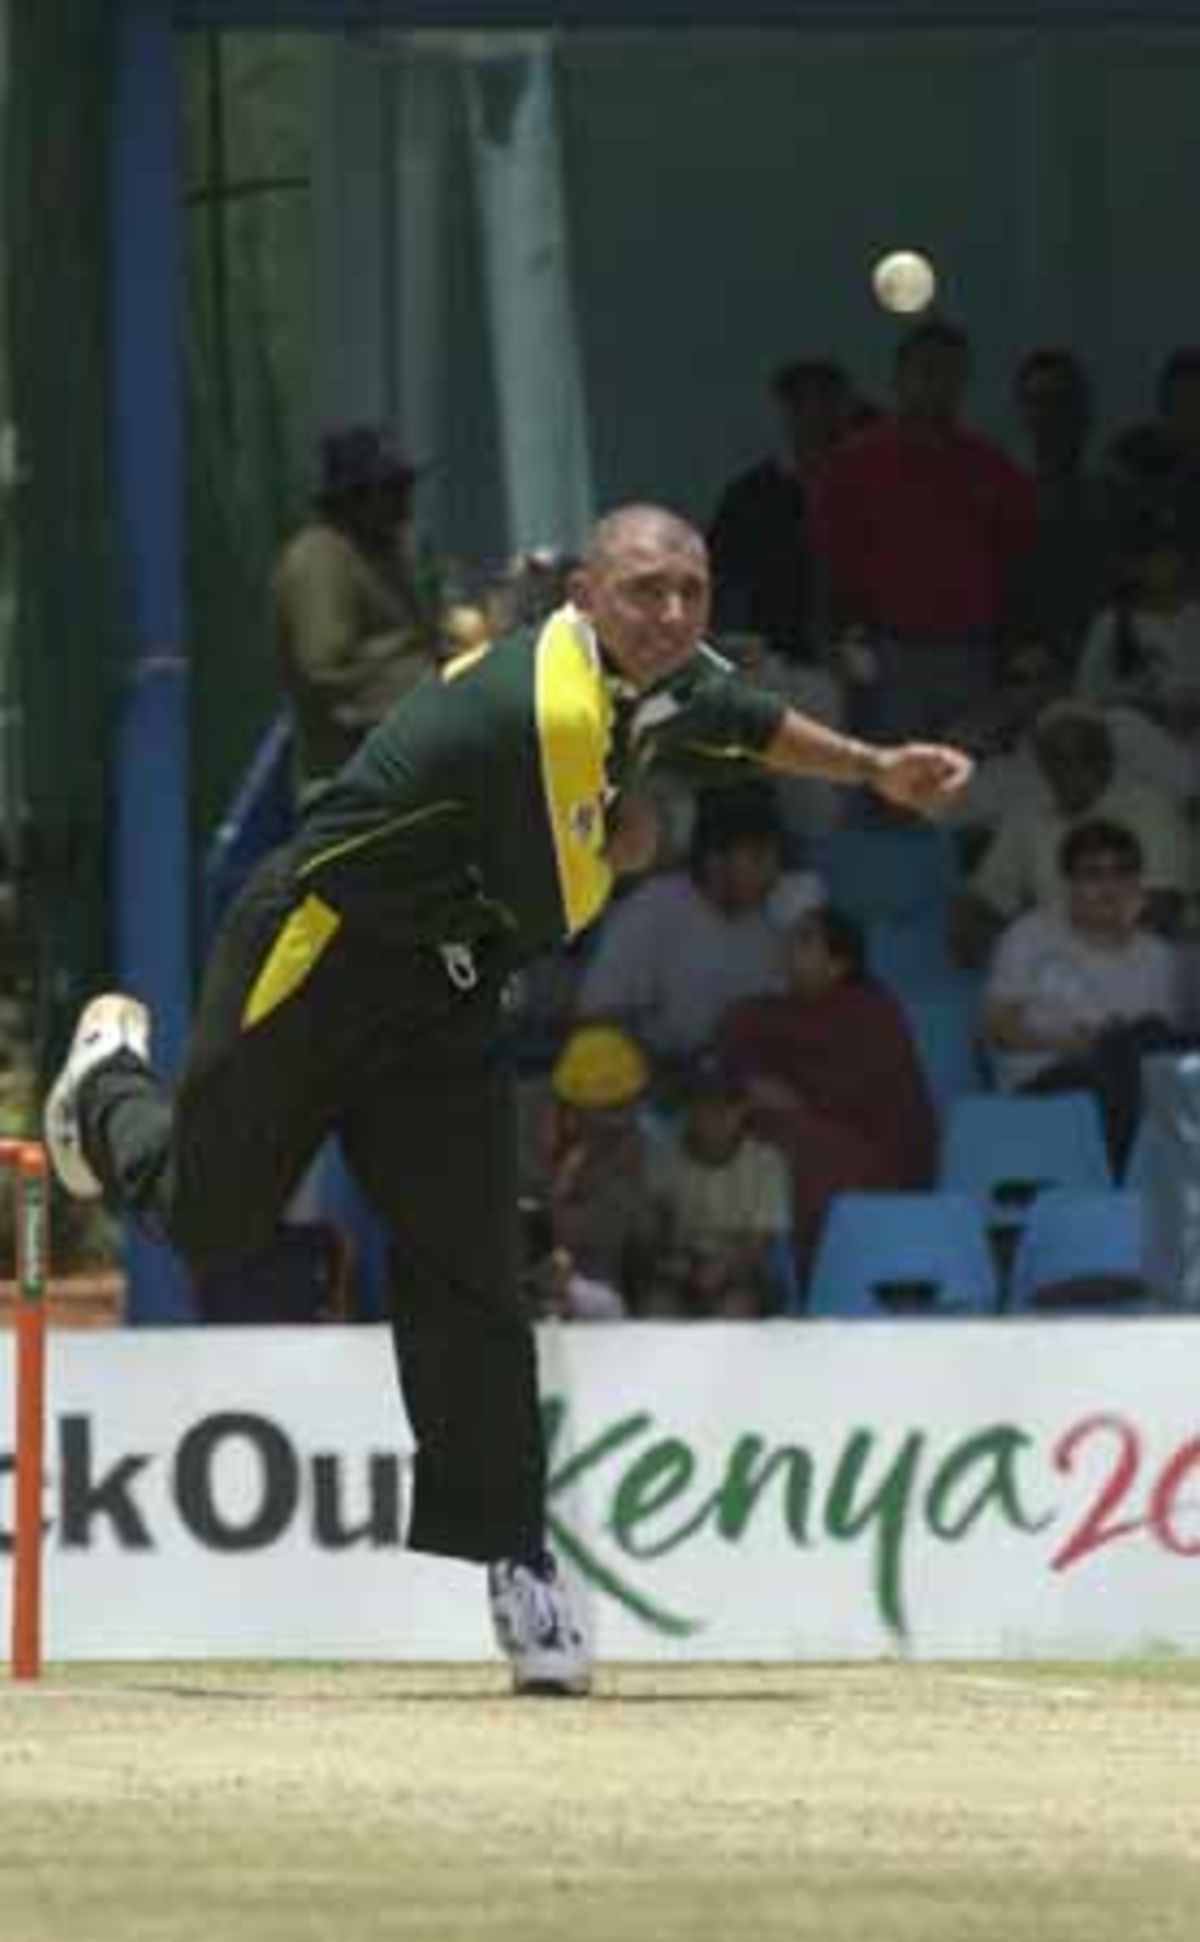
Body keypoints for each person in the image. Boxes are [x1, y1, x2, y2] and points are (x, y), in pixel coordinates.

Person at [42, 503, 971, 1698]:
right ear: (584, 593)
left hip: (447, 992)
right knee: (214, 1221)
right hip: (323, 955)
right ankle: (110, 1086)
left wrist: (874, 768)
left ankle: (517, 1563)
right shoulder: (543, 701)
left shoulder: (654, 671)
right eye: (646, 590)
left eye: (691, 589)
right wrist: (637, 835)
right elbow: (587, 884)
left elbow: (740, 717)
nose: (674, 613)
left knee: (474, 1275)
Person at [809, 319, 1037, 741]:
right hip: (888, 652)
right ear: (900, 375)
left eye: (950, 371)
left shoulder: (991, 467)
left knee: (968, 784)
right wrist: (836, 649)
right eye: (926, 369)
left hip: (973, 652)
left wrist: (1016, 658)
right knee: (892, 780)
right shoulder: (855, 464)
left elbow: (1016, 566)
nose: (937, 382)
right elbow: (830, 564)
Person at [717, 907, 936, 1274]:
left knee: (799, 1144)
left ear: (838, 965)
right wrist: (760, 1092)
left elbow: (859, 1093)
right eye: (792, 937)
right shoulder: (775, 1011)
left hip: (879, 1157)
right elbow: (734, 1034)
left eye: (805, 941)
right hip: (812, 1140)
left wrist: (793, 1104)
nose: (789, 947)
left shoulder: (874, 1012)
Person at [981, 819, 1187, 1169]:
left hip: (1131, 1078)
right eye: (1093, 874)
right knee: (1123, 1055)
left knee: (1146, 1040)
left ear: (1138, 881)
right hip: (1044, 1077)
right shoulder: (1030, 935)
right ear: (1069, 883)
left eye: (1122, 872)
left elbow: (1161, 1047)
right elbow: (998, 1031)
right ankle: (1126, 1178)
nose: (1109, 885)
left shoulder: (1157, 955)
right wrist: (1070, 1044)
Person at [575, 782, 824, 1066]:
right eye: (756, 857)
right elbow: (595, 1020)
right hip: (652, 1077)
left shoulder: (781, 914)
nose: (771, 870)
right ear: (715, 860)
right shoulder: (653, 908)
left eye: (771, 857)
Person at [273, 424, 441, 803]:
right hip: (354, 787)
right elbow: (325, 674)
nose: (406, 503)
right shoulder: (318, 561)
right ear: (354, 497)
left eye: (406, 487)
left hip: (410, 774)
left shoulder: (384, 555)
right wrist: (426, 694)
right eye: (393, 490)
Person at [952, 700, 1191, 966]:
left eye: (1086, 752)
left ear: (1107, 755)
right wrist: (976, 937)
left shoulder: (1151, 808)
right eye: (1056, 756)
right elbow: (983, 899)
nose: (1071, 766)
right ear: (1042, 763)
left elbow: (1161, 915)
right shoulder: (1027, 816)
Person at [707, 357, 854, 664]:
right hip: (776, 651)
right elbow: (720, 576)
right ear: (787, 412)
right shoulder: (750, 494)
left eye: (825, 403)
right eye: (805, 404)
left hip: (855, 644)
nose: (816, 416)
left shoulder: (867, 485)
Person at [642, 1059, 793, 1319]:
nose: (716, 1114)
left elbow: (758, 1244)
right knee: (657, 1308)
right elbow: (655, 1228)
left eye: (727, 1104)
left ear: (744, 1108)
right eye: (705, 1105)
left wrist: (724, 1268)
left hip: (744, 1273)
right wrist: (674, 1260)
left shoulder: (766, 1162)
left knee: (734, 1309)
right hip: (683, 1268)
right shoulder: (663, 1157)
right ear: (688, 1109)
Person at [1009, 348, 1115, 667]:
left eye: (1059, 402)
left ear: (1083, 413)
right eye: (1034, 402)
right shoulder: (1004, 501)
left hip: (1108, 673)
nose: (1046, 415)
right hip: (1028, 673)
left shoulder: (1114, 500)